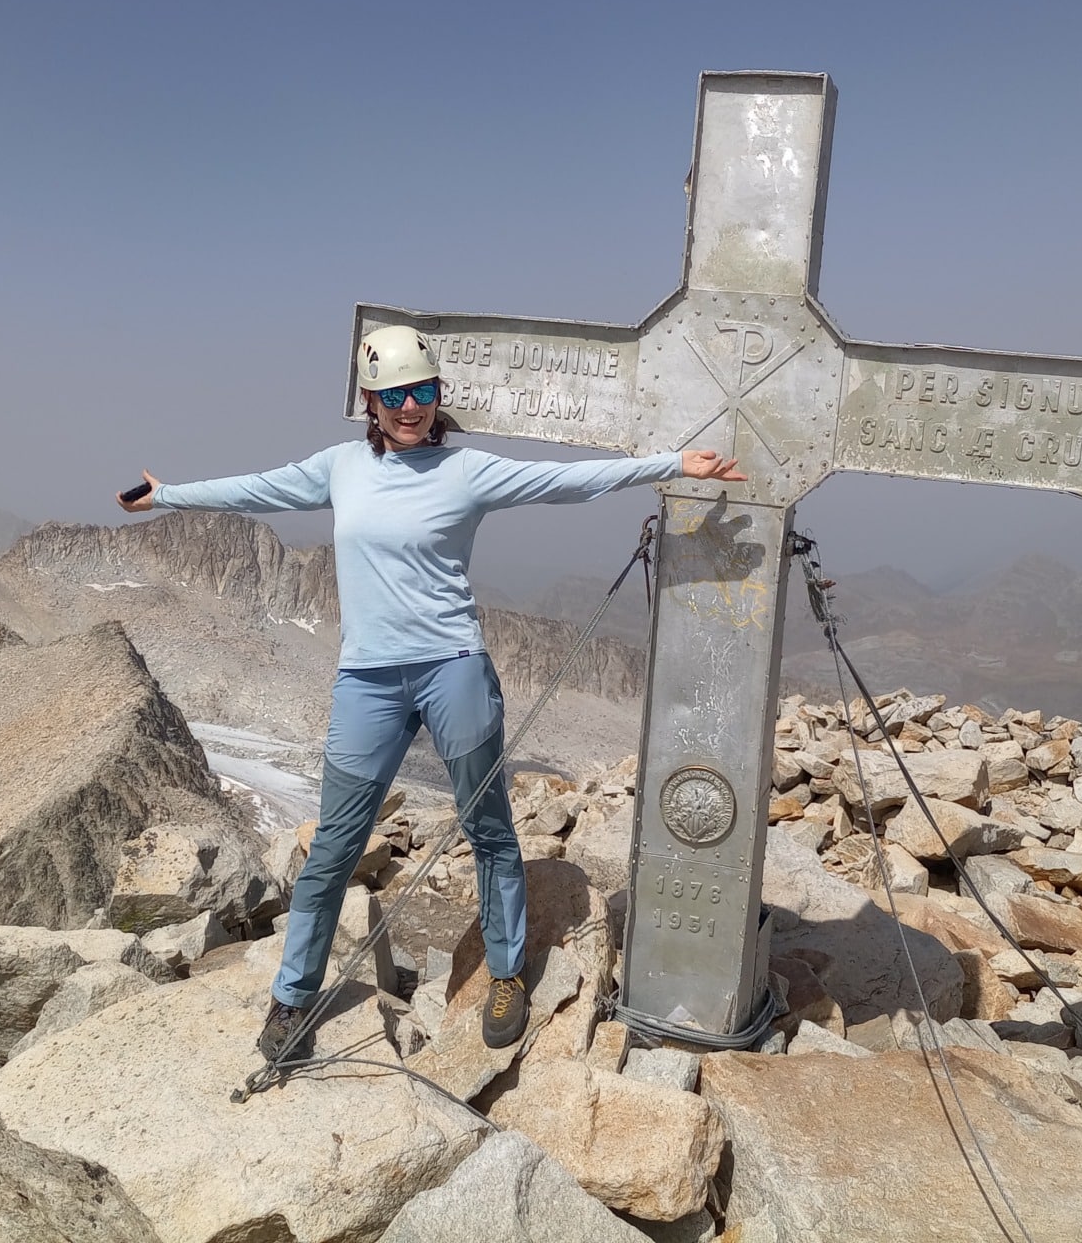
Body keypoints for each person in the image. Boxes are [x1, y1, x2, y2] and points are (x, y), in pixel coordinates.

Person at [119, 324, 744, 1060]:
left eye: (421, 391)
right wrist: (167, 497)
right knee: (333, 848)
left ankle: (508, 972)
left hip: (453, 668)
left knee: (488, 827)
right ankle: (293, 997)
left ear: (438, 394)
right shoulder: (339, 468)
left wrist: (671, 464)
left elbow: (561, 482)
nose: (409, 407)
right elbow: (256, 488)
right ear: (370, 403)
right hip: (368, 680)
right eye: (393, 396)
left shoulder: (466, 470)